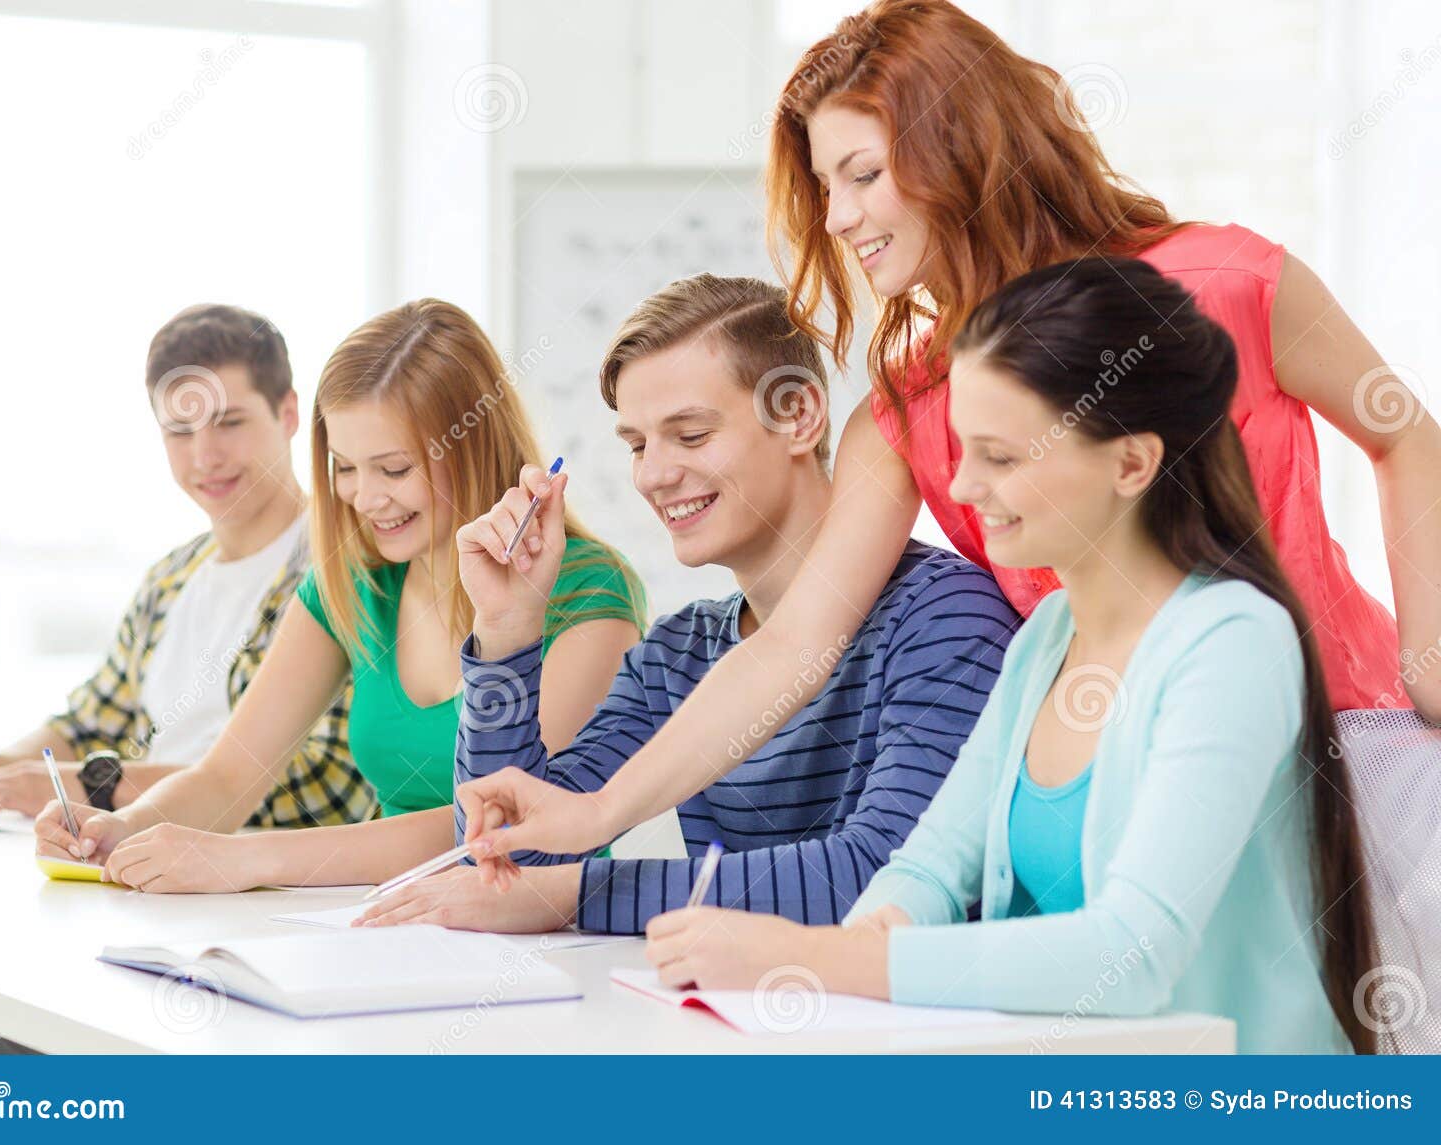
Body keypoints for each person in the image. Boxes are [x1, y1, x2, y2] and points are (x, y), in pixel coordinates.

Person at [455, 0, 1440, 881]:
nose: (838, 219)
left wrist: (1426, 667)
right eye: (824, 187)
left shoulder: (1229, 281)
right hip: (1107, 789)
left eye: (862, 175)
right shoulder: (909, 400)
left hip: (1344, 748)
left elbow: (1406, 438)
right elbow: (797, 639)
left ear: (960, 144)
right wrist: (599, 811)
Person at [641, 258, 1376, 1054]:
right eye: (962, 449)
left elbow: (1131, 953)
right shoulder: (1048, 636)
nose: (959, 485)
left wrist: (813, 956)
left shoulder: (1235, 643)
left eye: (1000, 456)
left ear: (1131, 463)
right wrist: (845, 952)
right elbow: (928, 868)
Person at [358, 275, 1016, 934]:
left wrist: (576, 893)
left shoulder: (947, 617)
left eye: (691, 435)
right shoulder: (678, 655)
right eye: (638, 444)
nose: (653, 474)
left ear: (799, 414)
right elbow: (513, 852)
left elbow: (881, 878)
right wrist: (506, 628)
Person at [0, 304, 374, 1056]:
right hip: (123, 871)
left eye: (229, 423)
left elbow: (310, 782)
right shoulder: (173, 577)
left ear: (290, 414)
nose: (205, 457)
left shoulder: (342, 571)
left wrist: (91, 788)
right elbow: (87, 720)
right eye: (179, 432)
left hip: (237, 906)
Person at [35, 299, 645, 893]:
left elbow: (512, 824)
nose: (365, 496)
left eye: (395, 469)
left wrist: (248, 859)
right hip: (392, 921)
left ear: (473, 444)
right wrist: (120, 828)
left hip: (547, 936)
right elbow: (226, 777)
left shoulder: (586, 590)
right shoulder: (357, 586)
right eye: (346, 468)